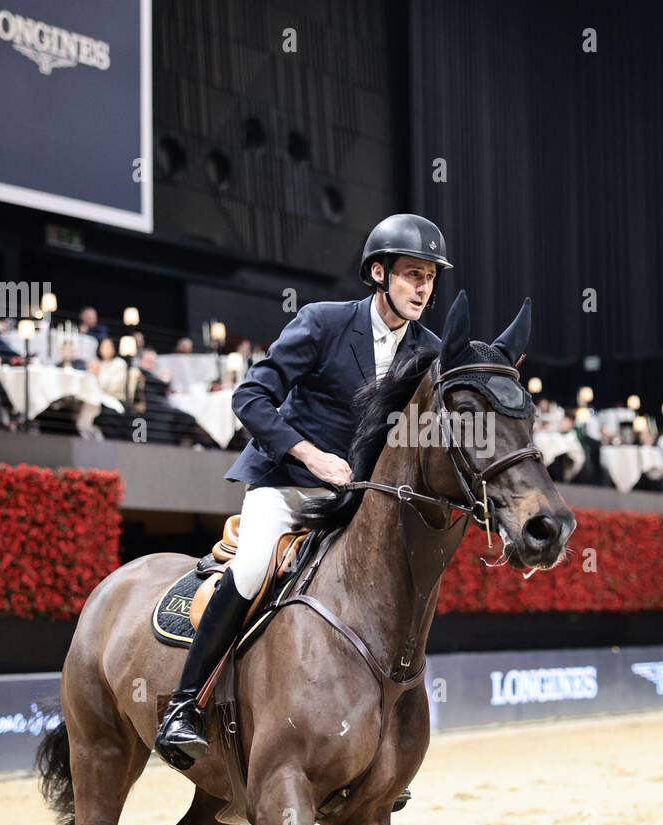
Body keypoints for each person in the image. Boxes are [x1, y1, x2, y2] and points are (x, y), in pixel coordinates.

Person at [154, 213, 452, 773]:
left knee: (396, 589)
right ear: (378, 273)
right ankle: (183, 707)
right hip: (287, 485)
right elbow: (250, 398)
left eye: (430, 278)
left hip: (359, 500)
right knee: (252, 569)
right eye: (413, 274)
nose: (423, 288)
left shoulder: (428, 351)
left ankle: (380, 744)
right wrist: (309, 454)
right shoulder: (323, 322)